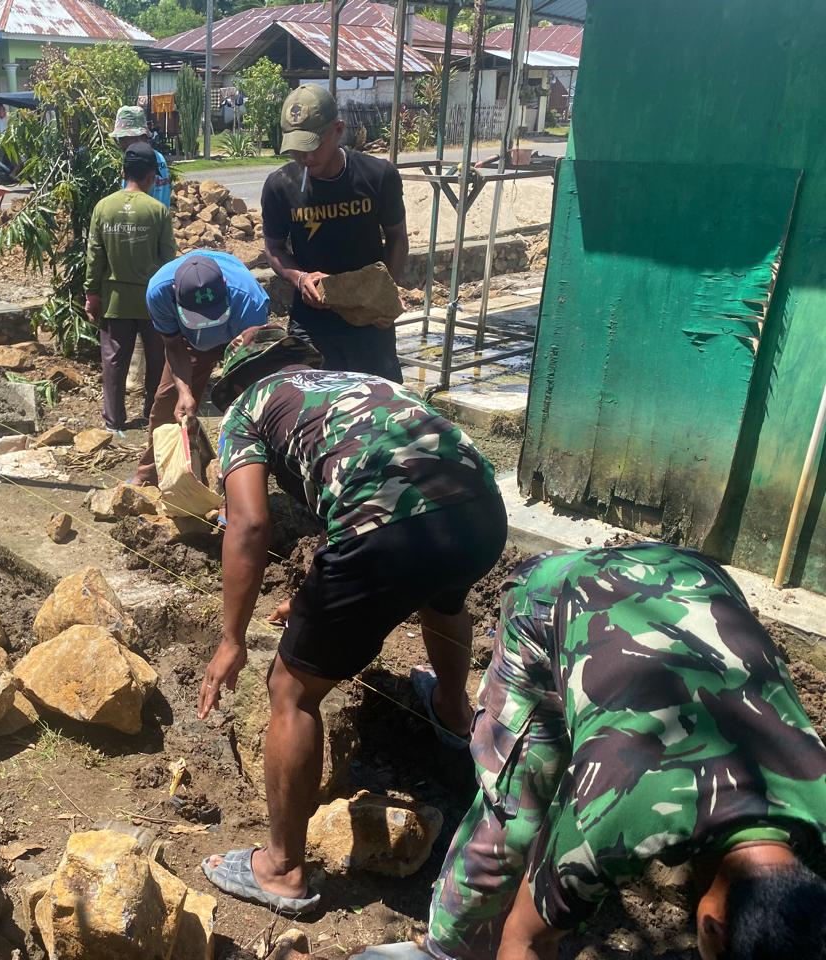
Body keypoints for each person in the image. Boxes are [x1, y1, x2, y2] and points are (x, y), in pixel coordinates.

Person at [351, 542, 826, 960]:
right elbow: (528, 942)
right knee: (518, 806)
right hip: (556, 596)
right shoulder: (616, 817)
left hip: (696, 578)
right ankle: (449, 950)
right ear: (711, 930)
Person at [196, 325, 505, 915]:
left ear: (237, 380)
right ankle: (453, 713)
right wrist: (322, 598)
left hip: (386, 532)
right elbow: (369, 486)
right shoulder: (362, 382)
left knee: (290, 688)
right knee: (443, 598)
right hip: (480, 512)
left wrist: (231, 638)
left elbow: (250, 525)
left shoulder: (249, 407)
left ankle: (281, 869)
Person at [261, 85, 407, 380]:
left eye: (312, 146)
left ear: (337, 130)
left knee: (377, 409)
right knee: (313, 411)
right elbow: (274, 248)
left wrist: (384, 296)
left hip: (368, 320)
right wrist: (299, 277)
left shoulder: (378, 176)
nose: (304, 157)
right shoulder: (280, 186)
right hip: (312, 322)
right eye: (296, 148)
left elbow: (397, 236)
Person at [131, 251, 269, 486]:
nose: (207, 322)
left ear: (224, 286)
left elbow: (251, 367)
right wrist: (185, 392)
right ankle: (150, 474)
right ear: (175, 291)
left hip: (238, 337)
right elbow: (173, 346)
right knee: (168, 400)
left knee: (248, 405)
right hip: (190, 343)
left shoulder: (248, 299)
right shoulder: (159, 292)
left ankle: (241, 475)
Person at [85, 142, 177, 434]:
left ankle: (113, 422)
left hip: (115, 300)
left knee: (113, 363)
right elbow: (168, 261)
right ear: (151, 177)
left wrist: (91, 294)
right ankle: (154, 417)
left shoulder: (104, 207)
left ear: (123, 172)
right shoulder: (157, 211)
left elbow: (94, 256)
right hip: (152, 303)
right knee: (156, 360)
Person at [112, 105, 172, 209]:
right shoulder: (158, 157)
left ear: (143, 137)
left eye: (126, 138)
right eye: (120, 139)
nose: (122, 144)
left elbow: (131, 205)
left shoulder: (138, 163)